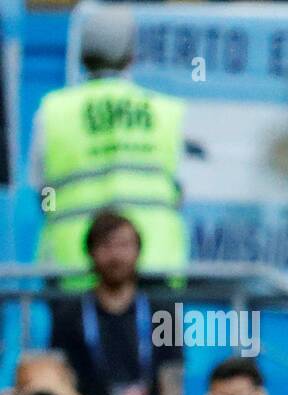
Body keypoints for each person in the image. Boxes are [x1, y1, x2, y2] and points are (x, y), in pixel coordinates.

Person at [30, 4, 186, 280]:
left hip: (74, 268)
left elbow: (42, 194)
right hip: (155, 268)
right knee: (163, 327)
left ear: (83, 55)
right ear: (131, 55)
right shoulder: (164, 111)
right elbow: (179, 193)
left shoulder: (54, 111)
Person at [49, 210, 183, 395]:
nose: (116, 256)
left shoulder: (161, 311)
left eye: (124, 245)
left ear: (137, 251)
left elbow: (173, 389)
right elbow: (66, 391)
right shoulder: (70, 314)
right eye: (106, 246)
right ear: (91, 253)